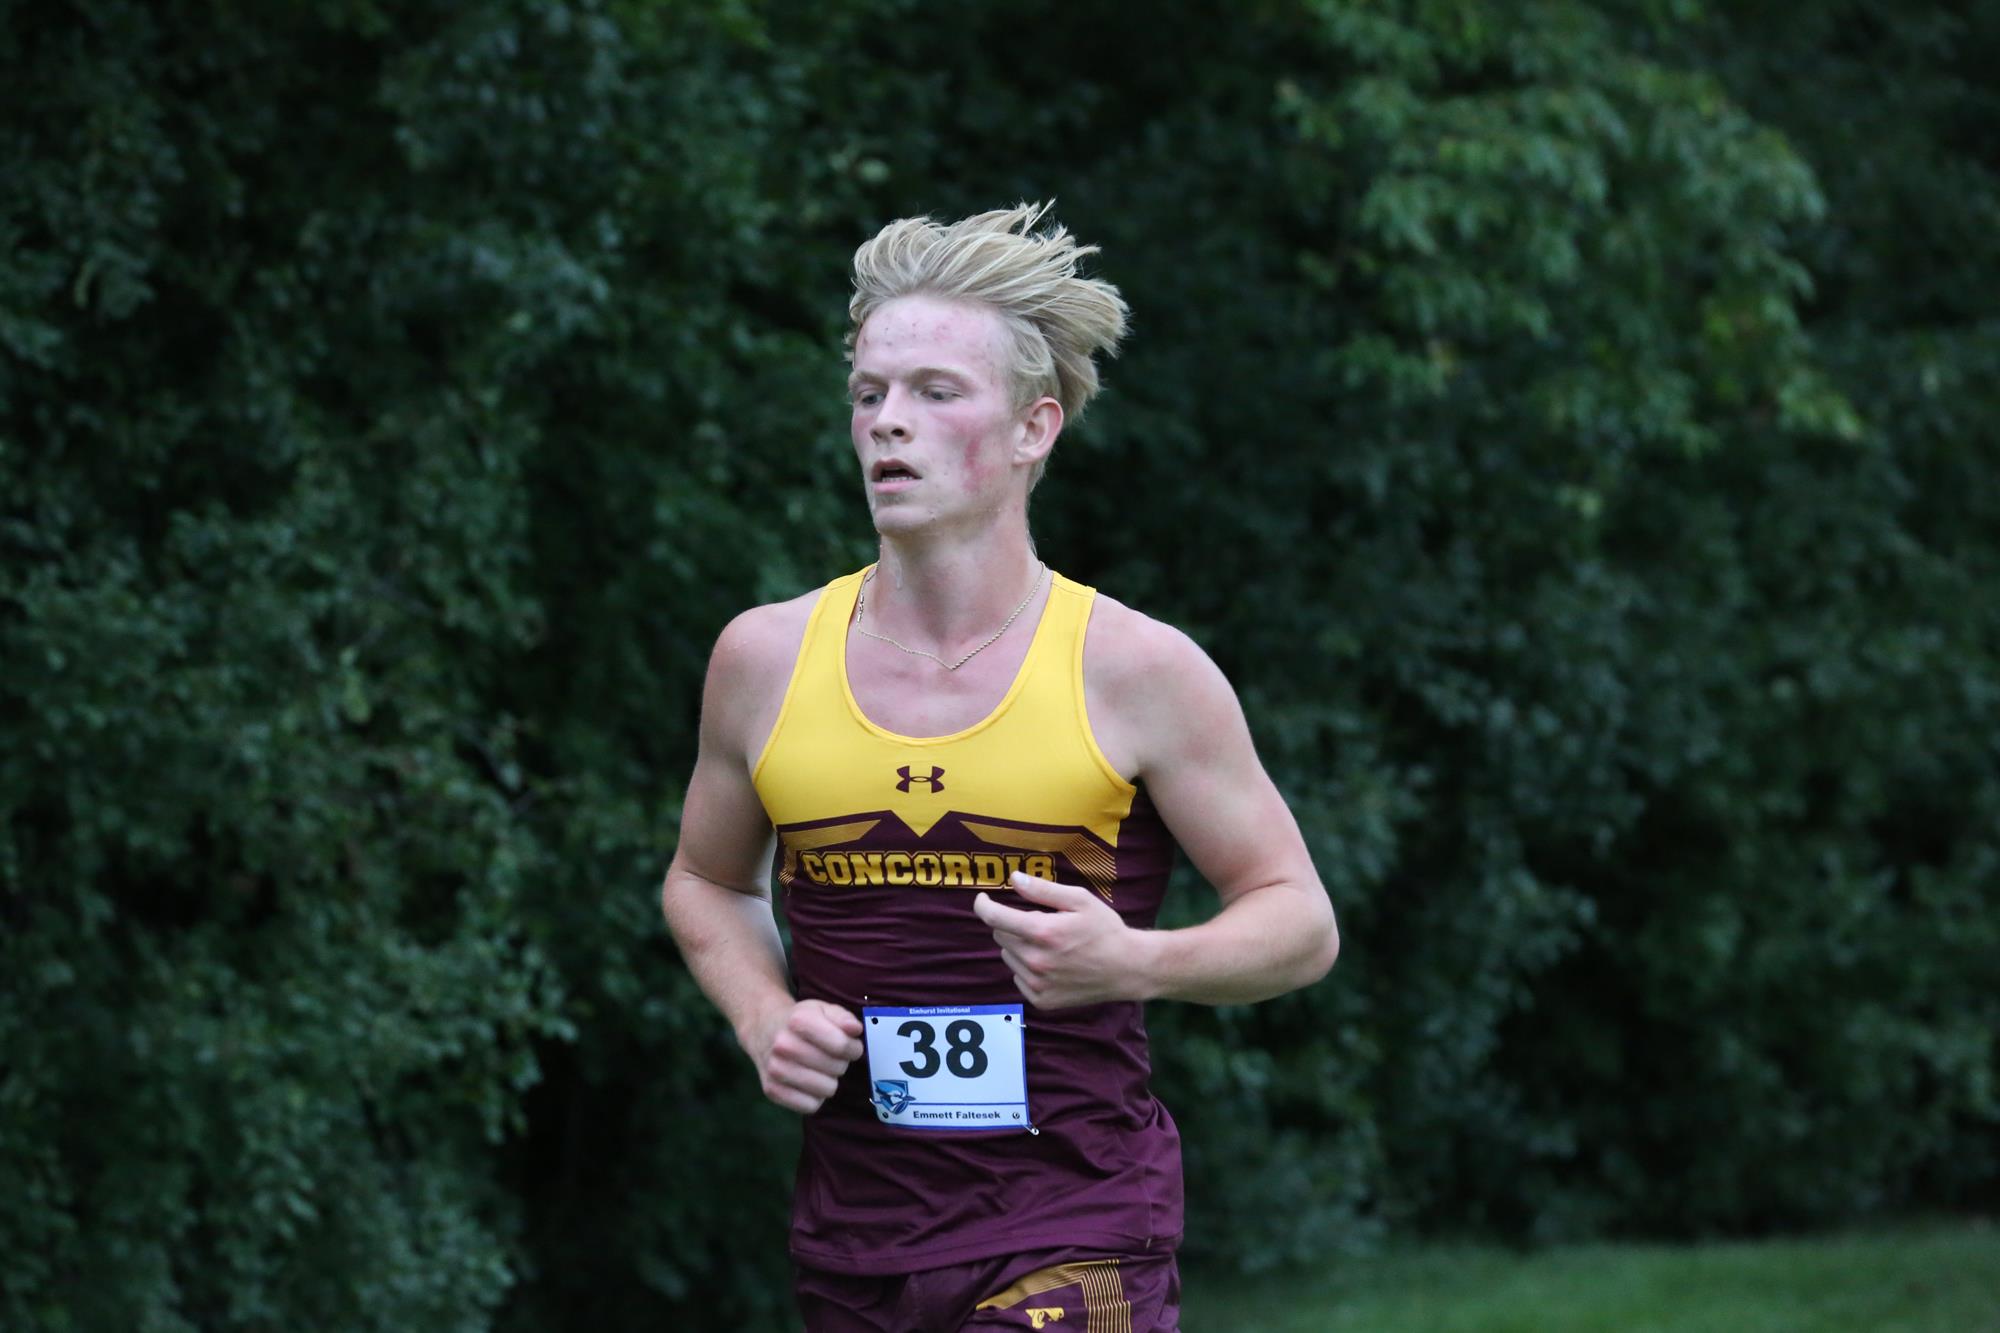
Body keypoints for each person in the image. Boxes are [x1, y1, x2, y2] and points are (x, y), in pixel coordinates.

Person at [659, 203, 1338, 1332]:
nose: (888, 425)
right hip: (858, 1231)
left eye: (934, 392)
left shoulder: (1135, 668)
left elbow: (1298, 922)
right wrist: (760, 1015)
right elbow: (706, 882)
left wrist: (1133, 958)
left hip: (1077, 1217)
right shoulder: (764, 658)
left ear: (1034, 427)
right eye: (869, 394)